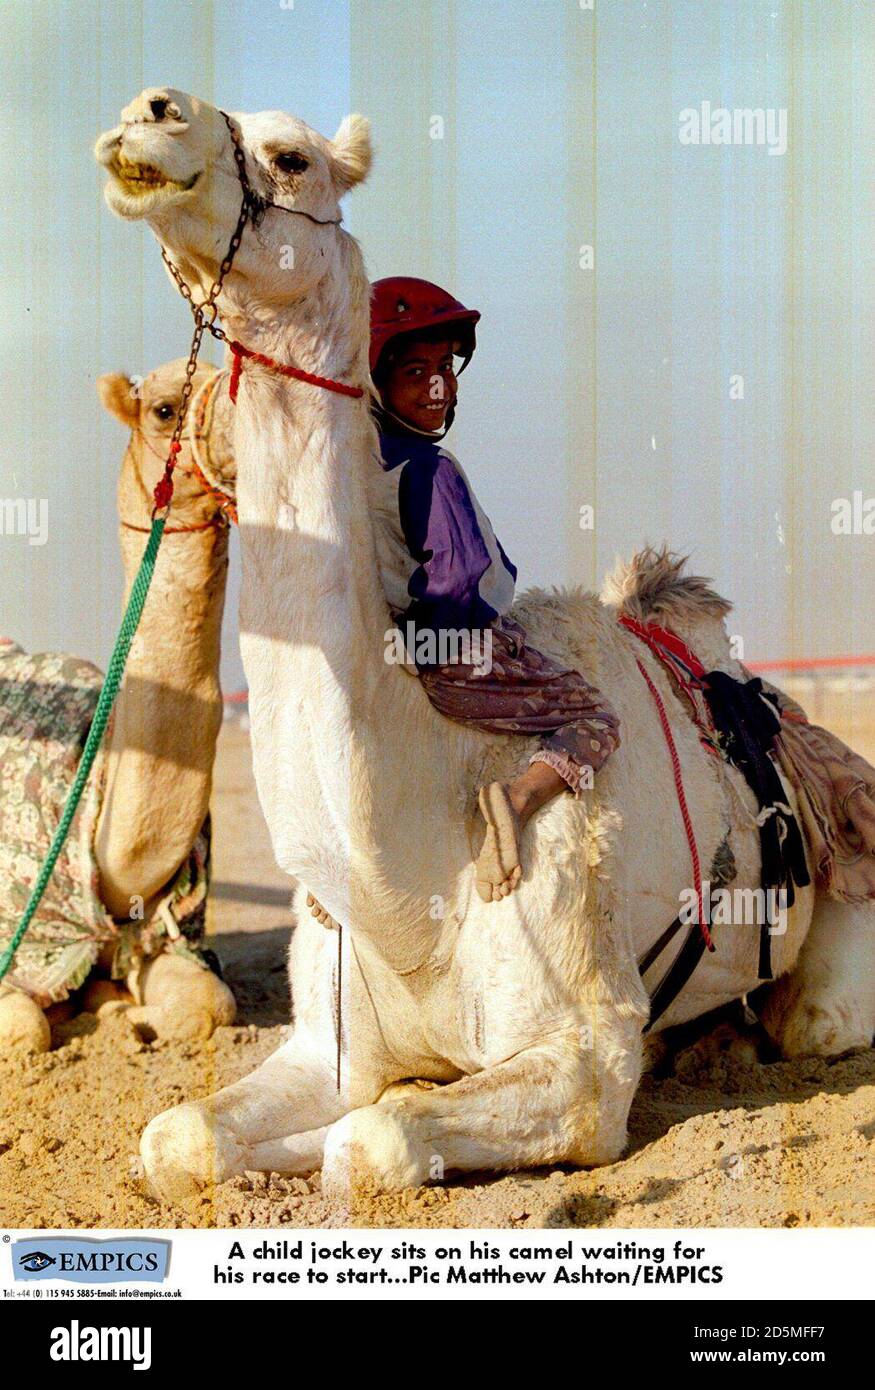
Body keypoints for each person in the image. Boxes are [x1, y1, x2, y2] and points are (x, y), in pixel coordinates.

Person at [368, 276, 621, 903]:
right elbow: (461, 580)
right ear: (374, 380)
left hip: (390, 647)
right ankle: (517, 797)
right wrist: (438, 643)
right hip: (457, 655)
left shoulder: (355, 465)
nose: (436, 386)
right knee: (597, 714)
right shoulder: (428, 467)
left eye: (445, 368)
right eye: (414, 372)